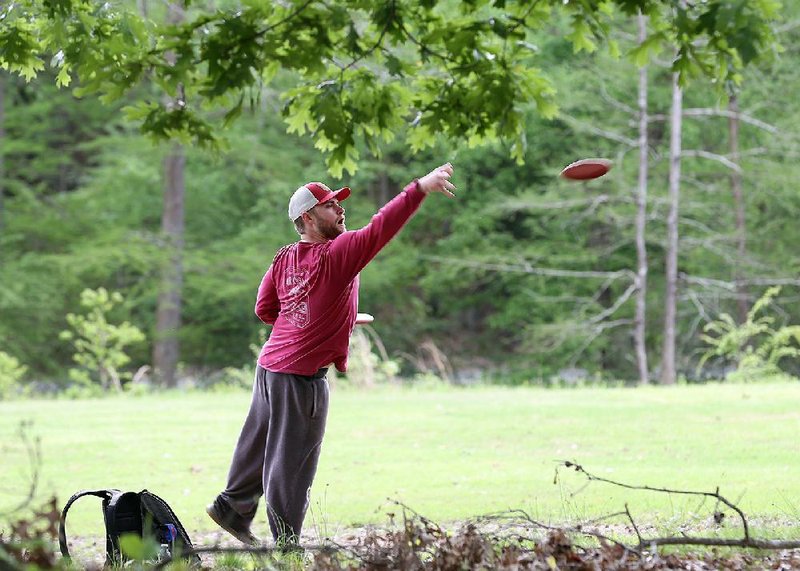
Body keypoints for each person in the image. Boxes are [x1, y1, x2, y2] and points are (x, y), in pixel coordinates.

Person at [207, 163, 457, 548]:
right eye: (329, 205)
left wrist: (333, 321)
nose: (340, 210)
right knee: (292, 461)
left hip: (269, 367)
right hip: (300, 376)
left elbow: (267, 308)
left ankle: (231, 509)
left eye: (339, 204)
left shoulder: (285, 257)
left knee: (257, 446)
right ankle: (287, 544)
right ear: (307, 217)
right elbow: (380, 227)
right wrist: (419, 187)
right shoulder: (338, 253)